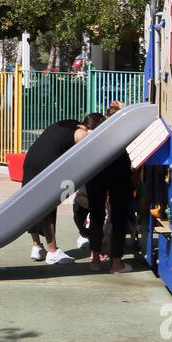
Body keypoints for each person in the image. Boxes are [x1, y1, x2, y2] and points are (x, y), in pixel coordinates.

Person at [21, 112, 105, 265]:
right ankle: (52, 251)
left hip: (31, 161)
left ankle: (36, 246)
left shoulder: (70, 124)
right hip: (44, 166)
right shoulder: (82, 134)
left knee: (32, 204)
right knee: (48, 206)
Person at [85, 109, 135, 273]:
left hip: (97, 170)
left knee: (96, 216)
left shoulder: (94, 137)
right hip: (119, 169)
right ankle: (116, 263)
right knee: (118, 217)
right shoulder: (121, 132)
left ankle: (95, 260)